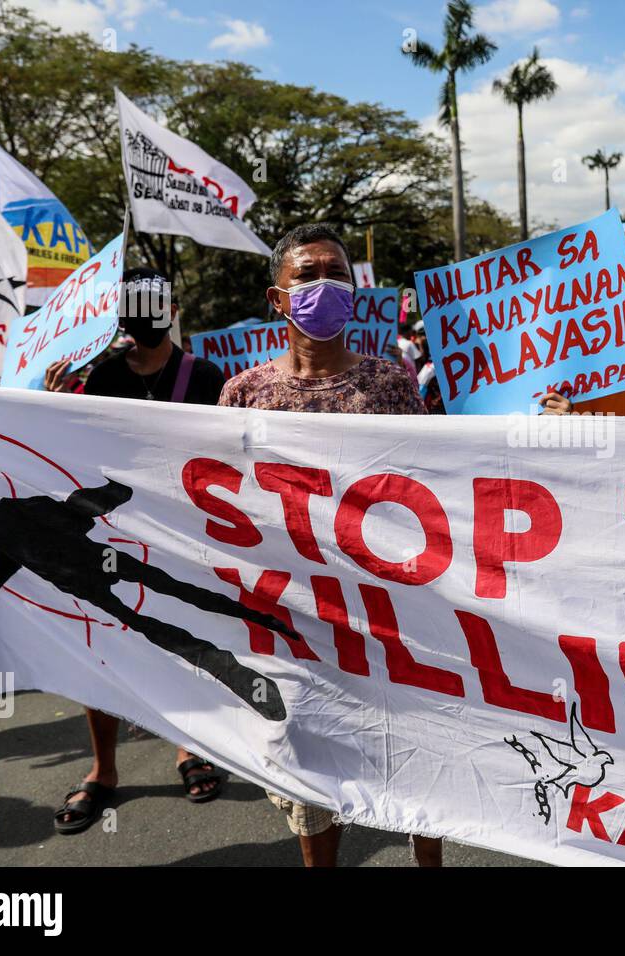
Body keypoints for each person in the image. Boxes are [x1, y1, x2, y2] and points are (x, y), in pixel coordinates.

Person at [218, 222, 441, 868]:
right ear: (277, 298)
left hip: (391, 621)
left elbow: (438, 488)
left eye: (335, 274)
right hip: (299, 626)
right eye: (307, 276)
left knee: (413, 768)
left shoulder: (392, 385)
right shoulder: (243, 396)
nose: (324, 286)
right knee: (315, 787)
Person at [43, 268, 231, 834]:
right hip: (108, 534)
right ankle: (103, 770)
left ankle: (185, 745)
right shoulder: (100, 377)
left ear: (170, 307)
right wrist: (51, 408)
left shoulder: (204, 376)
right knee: (102, 643)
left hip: (180, 538)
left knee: (176, 639)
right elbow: (69, 455)